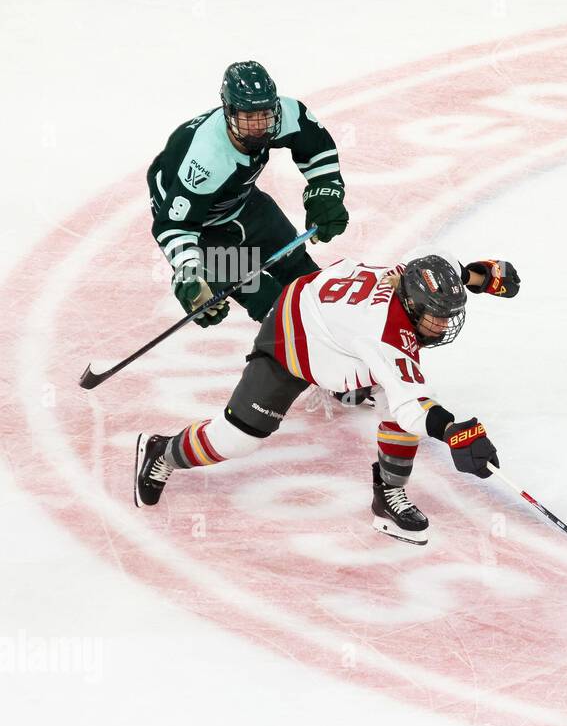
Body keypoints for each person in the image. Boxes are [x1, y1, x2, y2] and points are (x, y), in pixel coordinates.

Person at [133, 250, 522, 545]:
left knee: (394, 389)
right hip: (294, 334)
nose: (442, 325)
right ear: (411, 302)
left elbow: (449, 266)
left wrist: (483, 276)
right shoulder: (385, 334)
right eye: (435, 315)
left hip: (330, 318)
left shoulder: (414, 276)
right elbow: (412, 409)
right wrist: (454, 431)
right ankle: (162, 452)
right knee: (237, 440)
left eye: (449, 314)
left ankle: (388, 493)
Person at [147, 60, 348, 330]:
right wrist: (189, 272)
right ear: (228, 112)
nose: (259, 126)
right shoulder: (206, 159)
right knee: (267, 299)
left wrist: (326, 194)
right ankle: (293, 363)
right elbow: (174, 224)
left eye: (264, 114)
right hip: (200, 229)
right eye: (248, 118)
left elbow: (315, 147)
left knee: (302, 273)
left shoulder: (284, 115)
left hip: (242, 202)